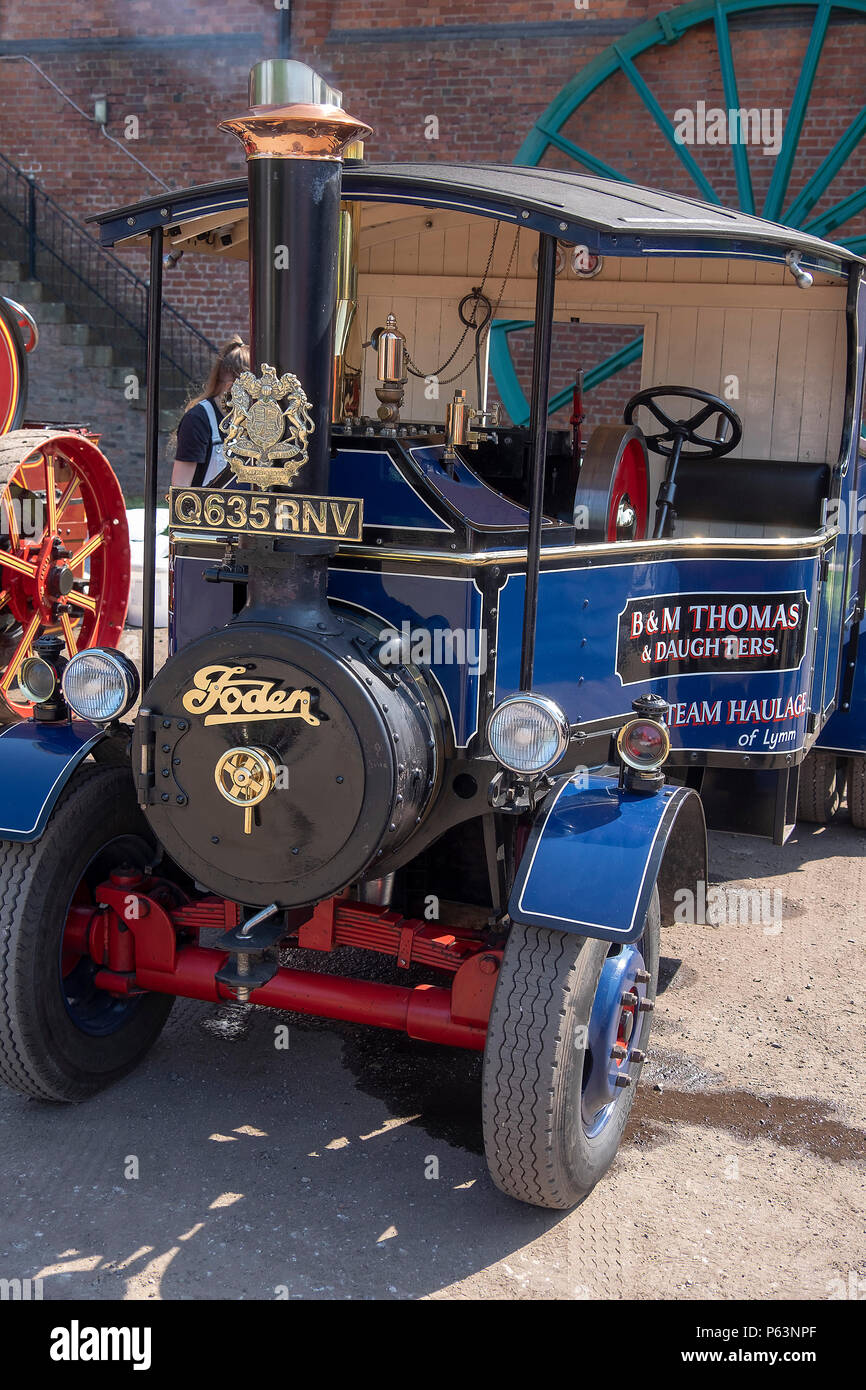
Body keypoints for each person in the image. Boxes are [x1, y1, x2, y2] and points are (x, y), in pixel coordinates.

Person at [172, 335, 250, 488]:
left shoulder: (249, 421)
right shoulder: (197, 421)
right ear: (231, 388)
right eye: (251, 391)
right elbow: (181, 490)